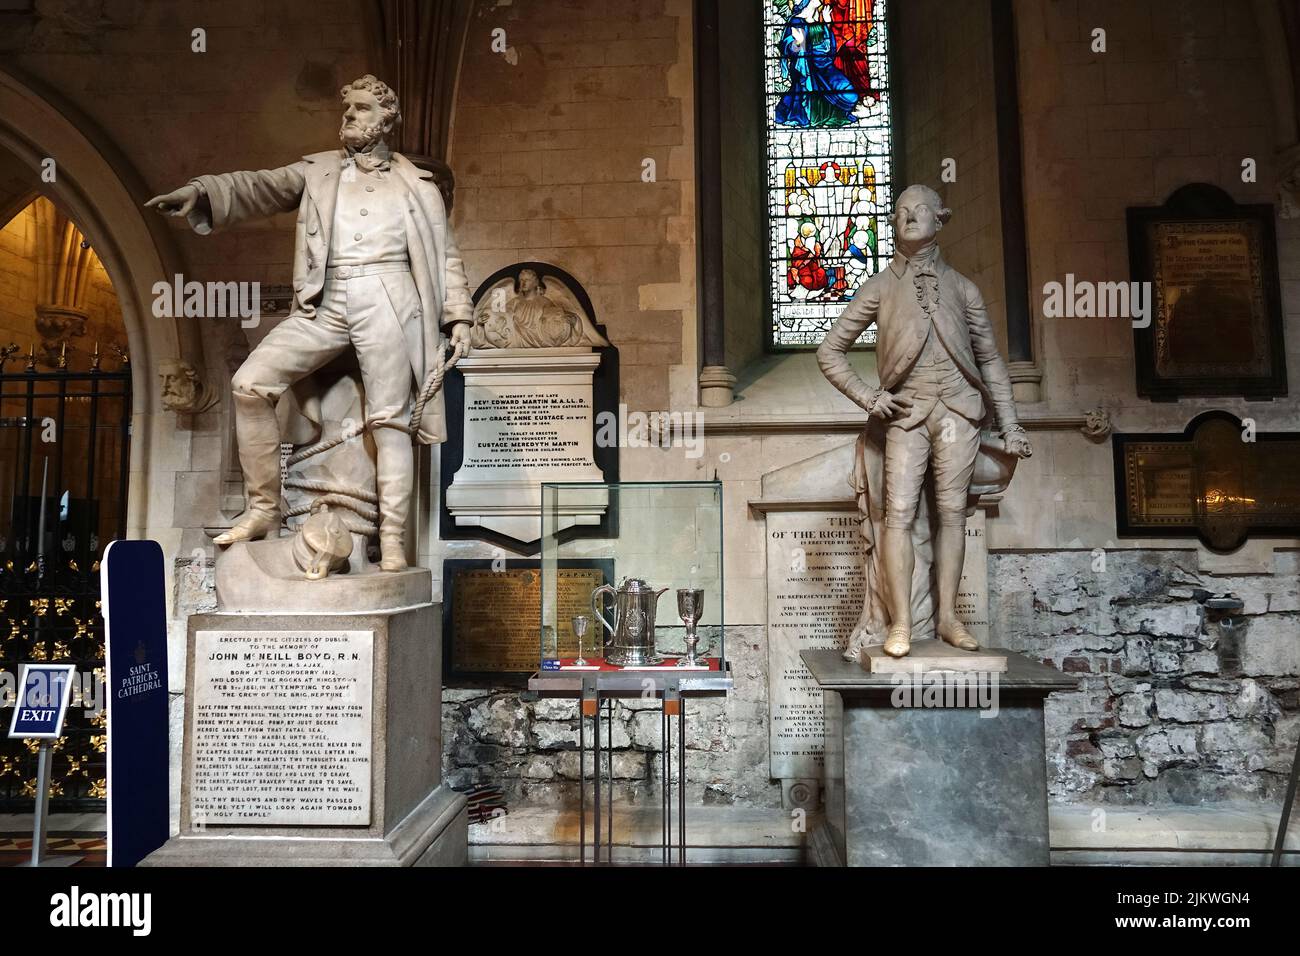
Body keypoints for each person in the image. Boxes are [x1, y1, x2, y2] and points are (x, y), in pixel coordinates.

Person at [146, 74, 474, 571]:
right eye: (347, 109)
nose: (348, 117)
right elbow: (261, 186)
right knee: (250, 385)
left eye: (362, 109)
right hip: (326, 300)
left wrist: (460, 318)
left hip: (388, 296)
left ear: (387, 120)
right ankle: (263, 510)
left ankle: (391, 545)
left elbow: (447, 257)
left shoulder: (418, 186)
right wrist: (205, 192)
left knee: (390, 422)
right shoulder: (318, 171)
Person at [818, 185, 1033, 657]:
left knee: (952, 516)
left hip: (959, 411)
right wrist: (868, 397)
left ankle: (949, 618)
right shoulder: (879, 286)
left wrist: (1013, 425)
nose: (909, 217)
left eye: (920, 211)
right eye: (900, 212)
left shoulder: (963, 288)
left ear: (941, 220)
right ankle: (899, 624)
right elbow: (829, 350)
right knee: (897, 516)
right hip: (906, 415)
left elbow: (992, 361)